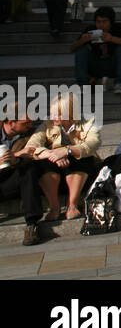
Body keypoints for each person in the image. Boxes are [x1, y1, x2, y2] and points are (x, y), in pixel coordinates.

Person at [28, 92, 100, 221]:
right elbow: (32, 145)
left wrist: (67, 151)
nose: (53, 116)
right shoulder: (48, 124)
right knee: (42, 163)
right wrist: (51, 154)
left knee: (84, 158)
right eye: (52, 112)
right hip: (56, 171)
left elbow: (92, 144)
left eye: (58, 114)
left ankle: (72, 205)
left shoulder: (89, 122)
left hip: (83, 172)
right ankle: (54, 207)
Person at [0, 105, 48, 245]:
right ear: (10, 122)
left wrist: (17, 159)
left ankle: (32, 225)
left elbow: (34, 154)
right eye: (25, 122)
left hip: (13, 181)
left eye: (30, 121)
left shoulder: (30, 135)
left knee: (29, 170)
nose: (30, 124)